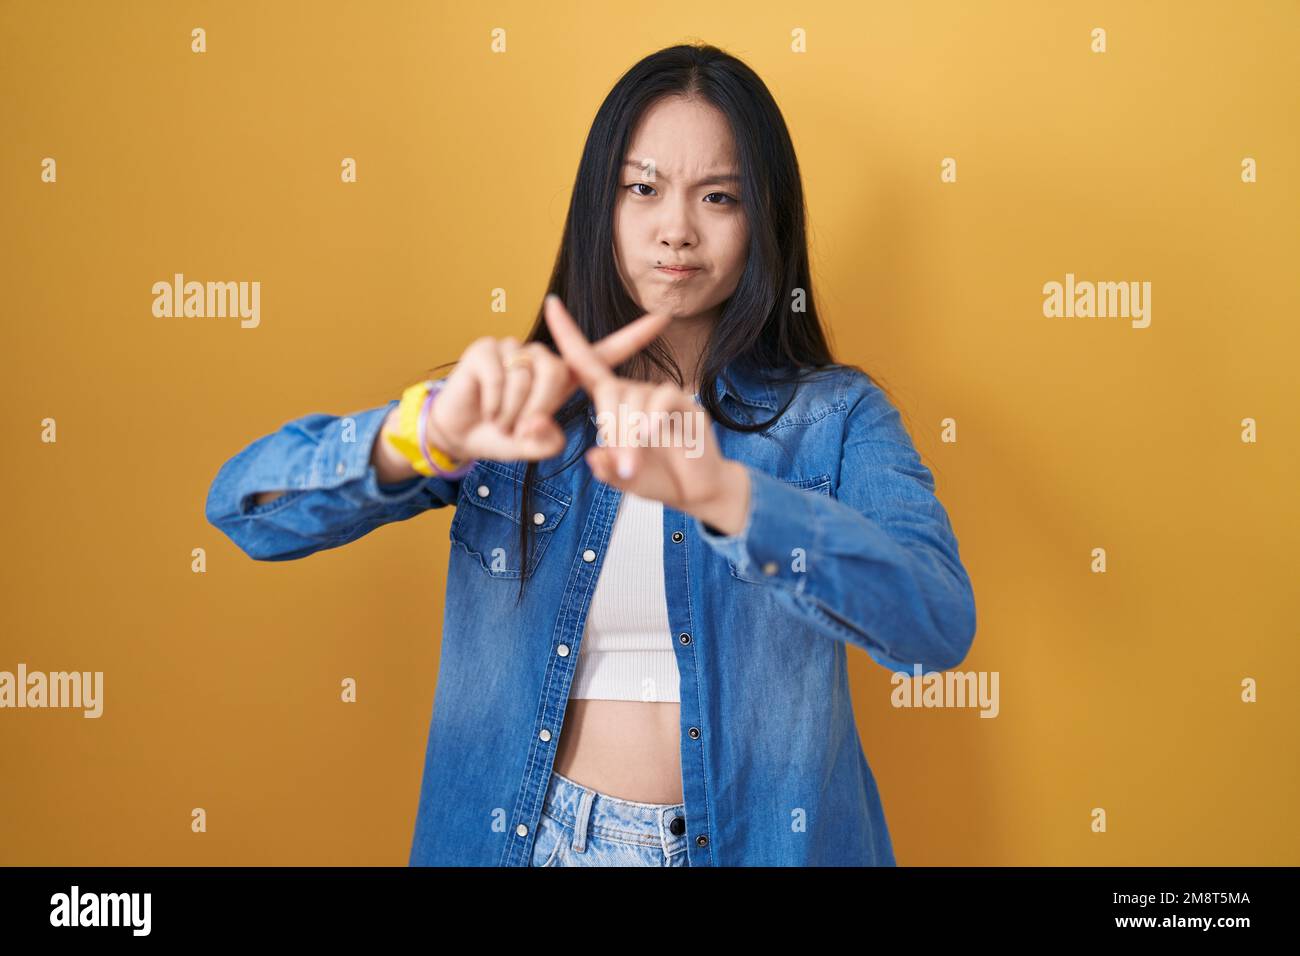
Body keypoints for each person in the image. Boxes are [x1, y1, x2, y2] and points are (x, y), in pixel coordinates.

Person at [204, 42, 977, 867]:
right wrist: (426, 435)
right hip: (536, 846)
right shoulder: (517, 410)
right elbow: (247, 509)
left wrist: (729, 497)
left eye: (718, 196)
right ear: (598, 207)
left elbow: (935, 626)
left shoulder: (834, 414)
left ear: (765, 219)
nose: (676, 229)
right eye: (641, 189)